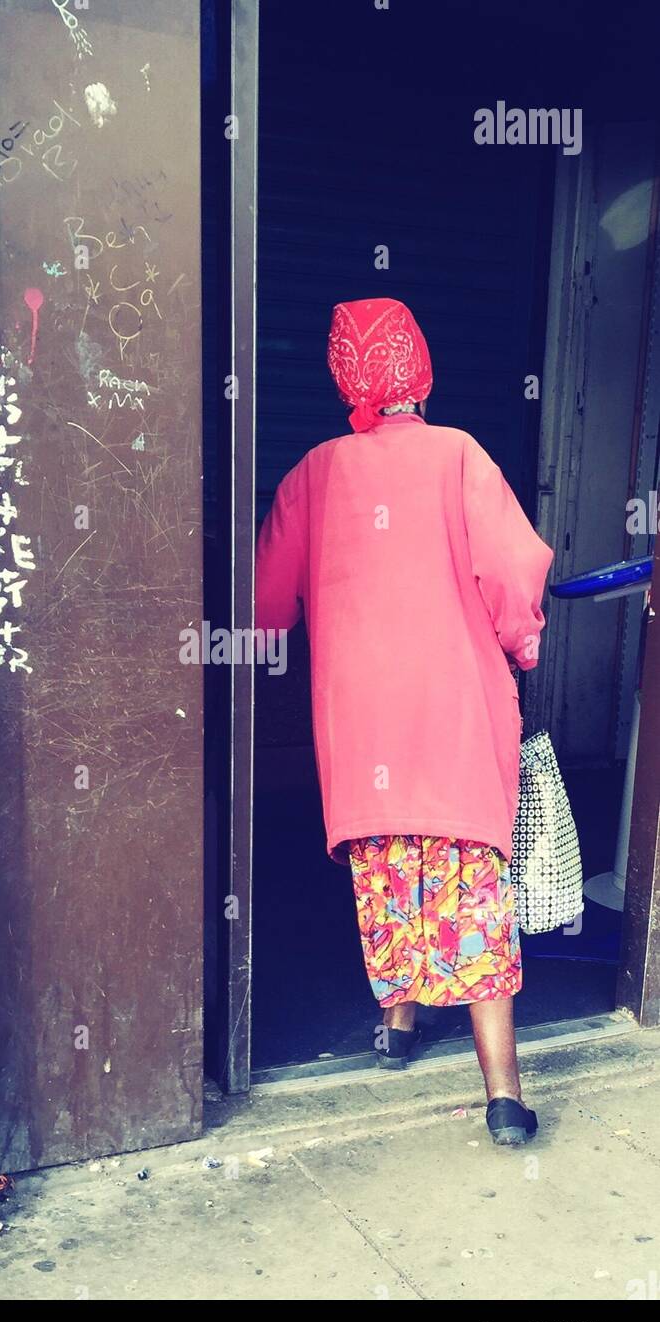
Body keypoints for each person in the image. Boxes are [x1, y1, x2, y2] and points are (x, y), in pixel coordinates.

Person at [255, 297, 554, 1145]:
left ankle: (395, 1027)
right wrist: (521, 643)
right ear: (419, 372)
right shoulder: (459, 455)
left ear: (342, 378)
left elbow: (265, 606)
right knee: (470, 887)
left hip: (363, 731)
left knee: (389, 871)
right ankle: (503, 1097)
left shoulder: (313, 473)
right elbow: (513, 573)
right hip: (455, 717)